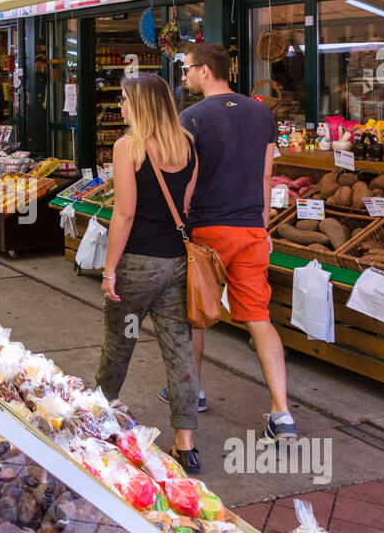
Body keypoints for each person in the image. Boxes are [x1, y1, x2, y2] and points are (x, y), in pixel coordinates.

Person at [178, 41, 295, 444]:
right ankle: (281, 413)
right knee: (259, 318)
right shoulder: (261, 113)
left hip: (205, 230)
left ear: (206, 71)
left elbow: (188, 179)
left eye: (187, 69)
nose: (184, 76)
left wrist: (181, 220)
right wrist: (261, 225)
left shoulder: (190, 117)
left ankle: (192, 394)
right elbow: (266, 175)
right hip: (250, 230)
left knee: (194, 313)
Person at [96, 73, 203, 476]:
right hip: (176, 263)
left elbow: (124, 213)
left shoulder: (128, 147)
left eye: (124, 100)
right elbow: (186, 205)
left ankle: (99, 419)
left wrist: (109, 271)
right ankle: (185, 446)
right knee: (179, 351)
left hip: (137, 265)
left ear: (140, 105)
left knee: (120, 343)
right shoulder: (188, 146)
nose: (120, 106)